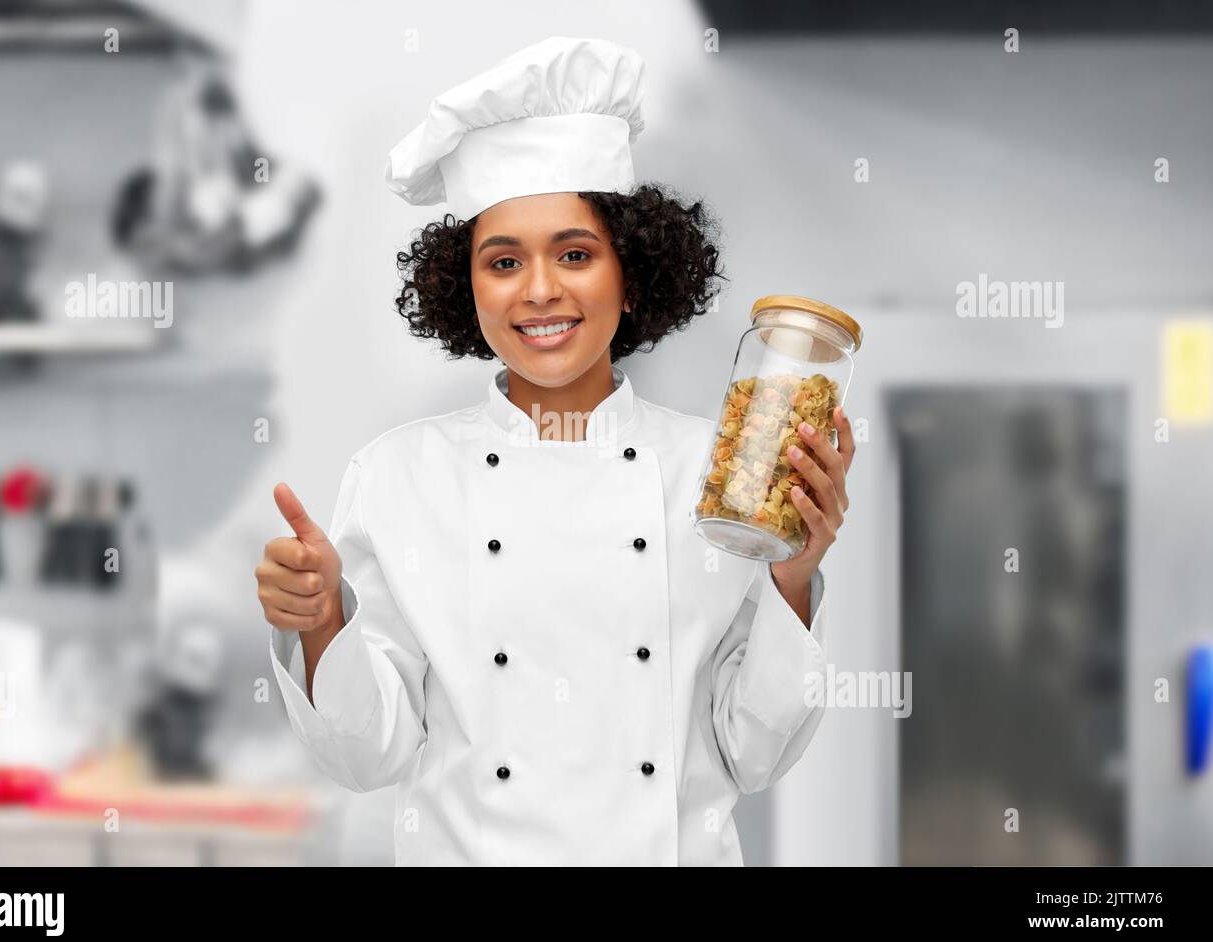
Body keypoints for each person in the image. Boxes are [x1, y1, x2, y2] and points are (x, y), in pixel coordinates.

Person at [254, 35, 854, 866]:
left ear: (631, 273)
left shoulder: (712, 481)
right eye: (504, 262)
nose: (540, 290)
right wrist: (321, 624)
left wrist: (792, 572)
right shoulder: (399, 476)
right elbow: (368, 756)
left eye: (575, 254)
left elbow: (754, 755)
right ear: (468, 289)